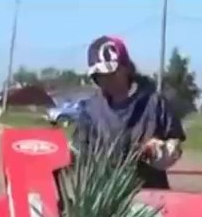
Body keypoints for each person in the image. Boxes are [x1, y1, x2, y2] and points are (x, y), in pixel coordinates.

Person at [73, 35, 185, 189]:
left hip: (150, 197)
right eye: (99, 75)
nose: (106, 79)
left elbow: (175, 141)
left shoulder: (154, 102)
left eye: (111, 73)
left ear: (126, 68)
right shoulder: (90, 111)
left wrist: (163, 151)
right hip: (104, 198)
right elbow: (79, 152)